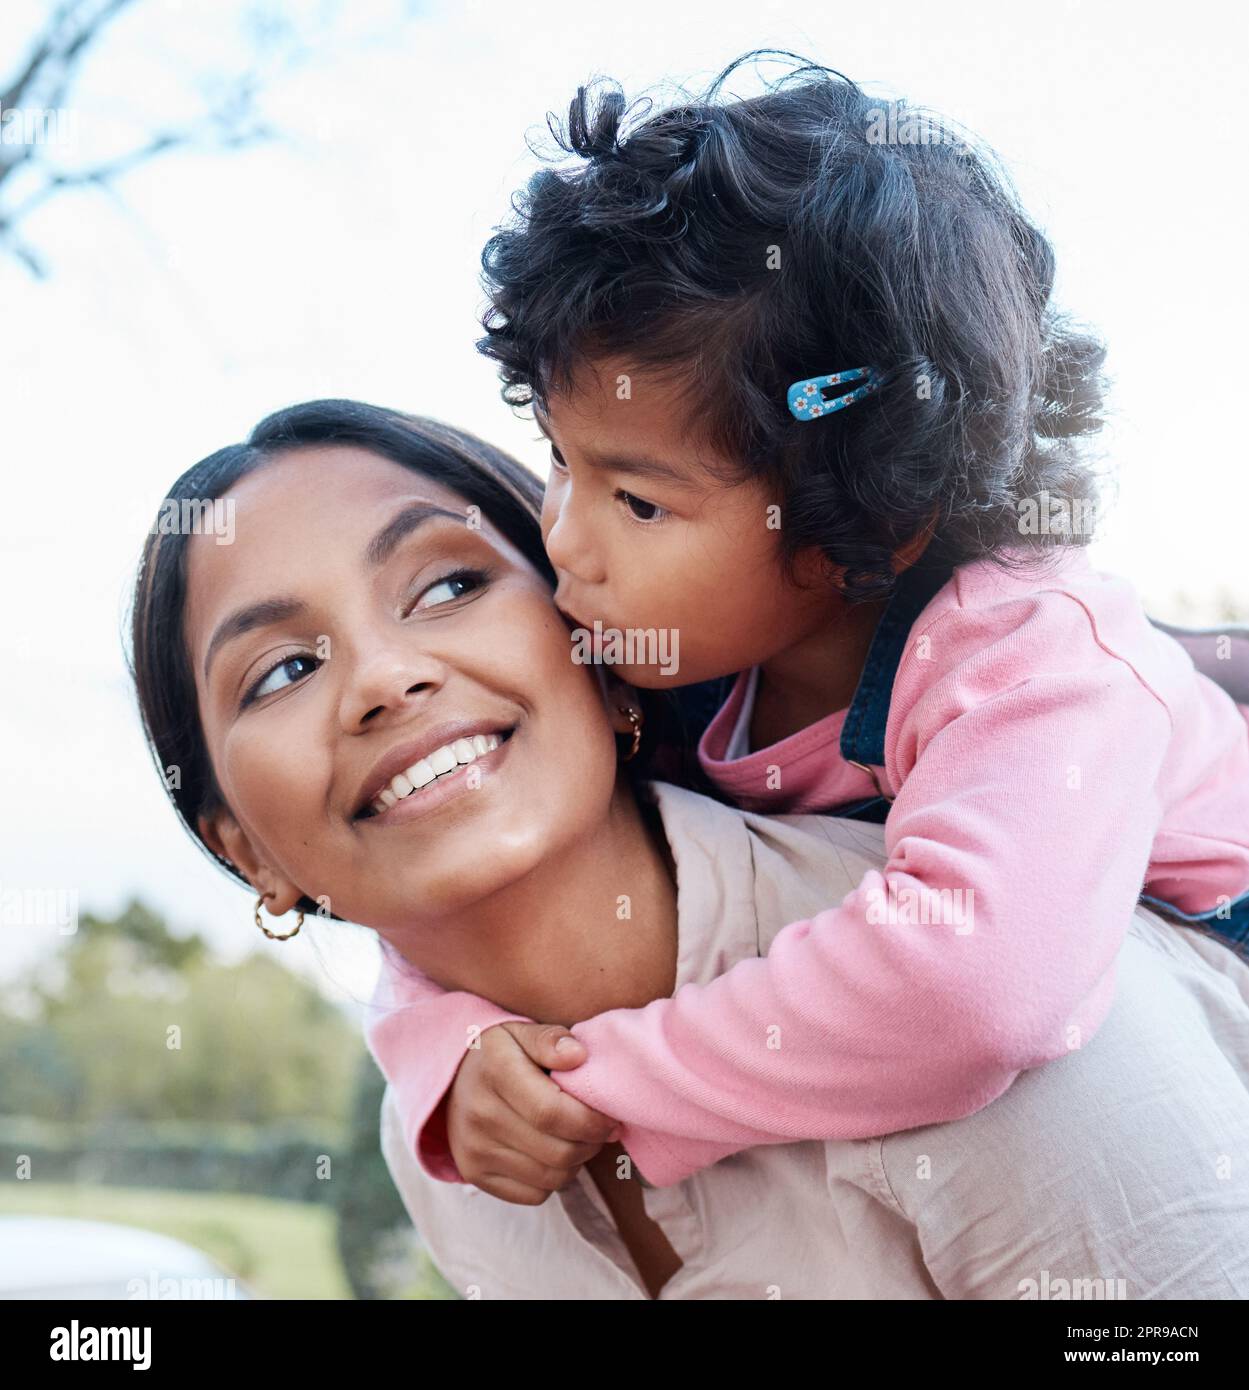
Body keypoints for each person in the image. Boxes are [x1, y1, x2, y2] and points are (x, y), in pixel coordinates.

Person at [365, 54, 1249, 1202]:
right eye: (559, 459)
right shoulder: (648, 642)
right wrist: (454, 1047)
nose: (564, 538)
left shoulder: (1035, 652)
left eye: (639, 502)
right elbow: (477, 835)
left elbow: (978, 991)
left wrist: (605, 1080)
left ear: (865, 518)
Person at [127, 400, 1249, 1299]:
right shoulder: (443, 1151)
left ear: (599, 648)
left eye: (450, 584)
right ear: (245, 849)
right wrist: (434, 1068)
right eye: (282, 671)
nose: (384, 678)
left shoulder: (985, 991)